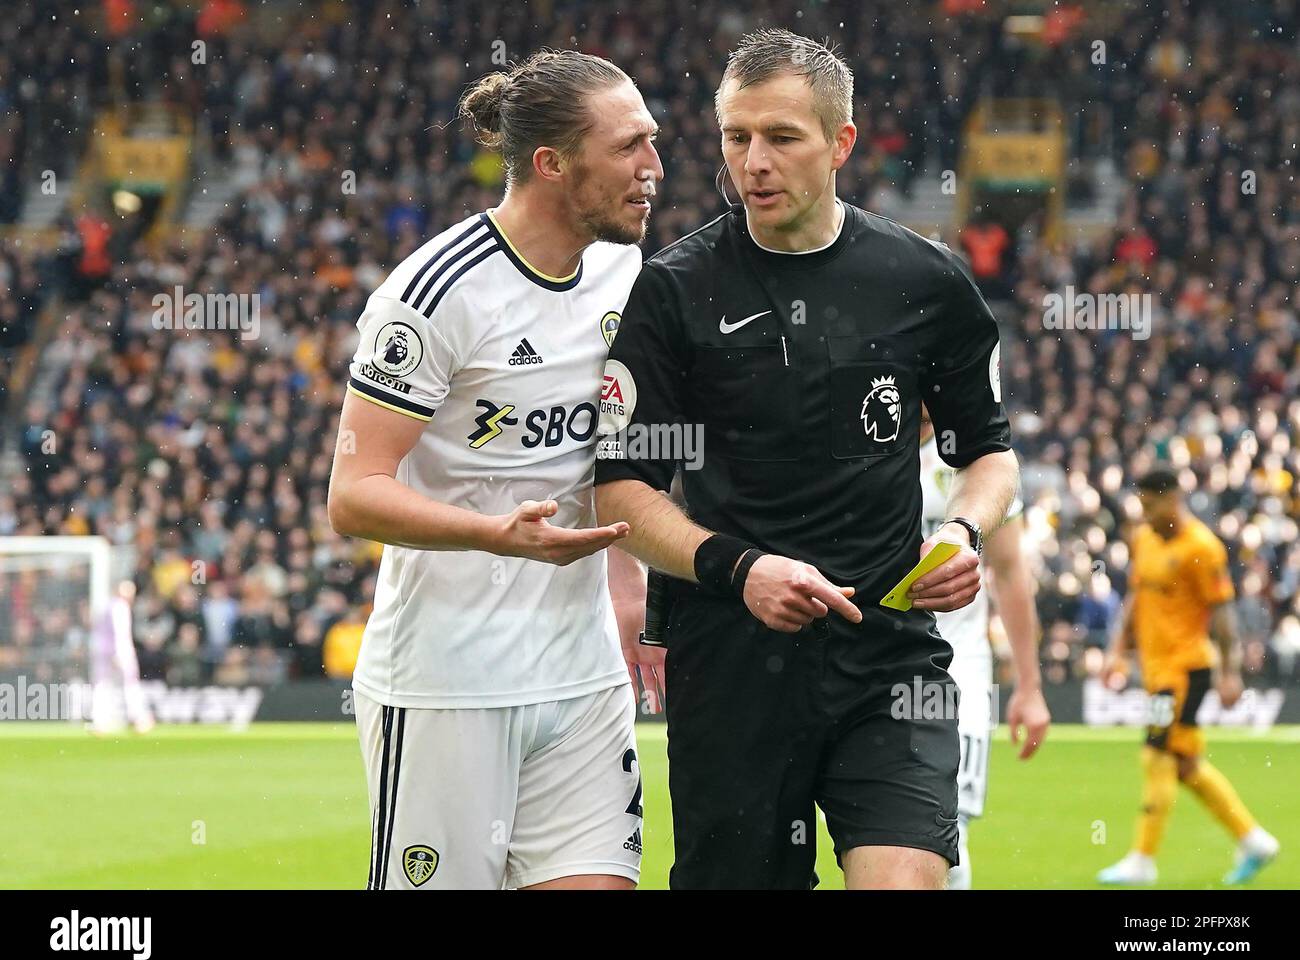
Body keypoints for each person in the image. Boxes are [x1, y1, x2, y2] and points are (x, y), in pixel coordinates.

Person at [594, 29, 1019, 889]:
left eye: (782, 137)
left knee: (907, 880)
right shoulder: (674, 290)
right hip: (731, 663)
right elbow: (622, 491)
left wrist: (965, 530)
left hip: (890, 655)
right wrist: (738, 568)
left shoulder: (924, 282)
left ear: (841, 143)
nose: (754, 161)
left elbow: (991, 456)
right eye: (735, 137)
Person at [327, 49, 665, 890]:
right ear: (552, 163)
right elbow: (353, 495)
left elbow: (606, 453)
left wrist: (626, 591)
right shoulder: (435, 294)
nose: (653, 168)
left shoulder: (627, 270)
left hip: (582, 676)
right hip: (448, 682)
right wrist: (494, 536)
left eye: (651, 141)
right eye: (628, 147)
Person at [1099, 466, 1279, 886]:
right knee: (1184, 764)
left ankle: (1142, 859)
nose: (1144, 515)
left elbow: (1223, 613)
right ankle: (1253, 840)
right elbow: (1135, 599)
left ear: (1173, 499)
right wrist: (1115, 652)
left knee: (1156, 754)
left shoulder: (1203, 547)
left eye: (1150, 506)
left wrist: (1231, 672)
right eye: (1140, 506)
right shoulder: (1144, 540)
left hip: (1185, 671)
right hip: (1158, 670)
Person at [919, 406, 1050, 889]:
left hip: (958, 667)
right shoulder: (857, 448)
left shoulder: (974, 456)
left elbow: (1012, 570)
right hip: (870, 659)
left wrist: (1030, 687)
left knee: (948, 828)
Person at [90, 579, 155, 735]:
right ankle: (139, 718)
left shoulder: (106, 606)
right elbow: (120, 633)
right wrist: (118, 654)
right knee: (130, 685)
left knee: (102, 686)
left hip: (102, 652)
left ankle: (100, 721)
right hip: (119, 652)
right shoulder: (120, 607)